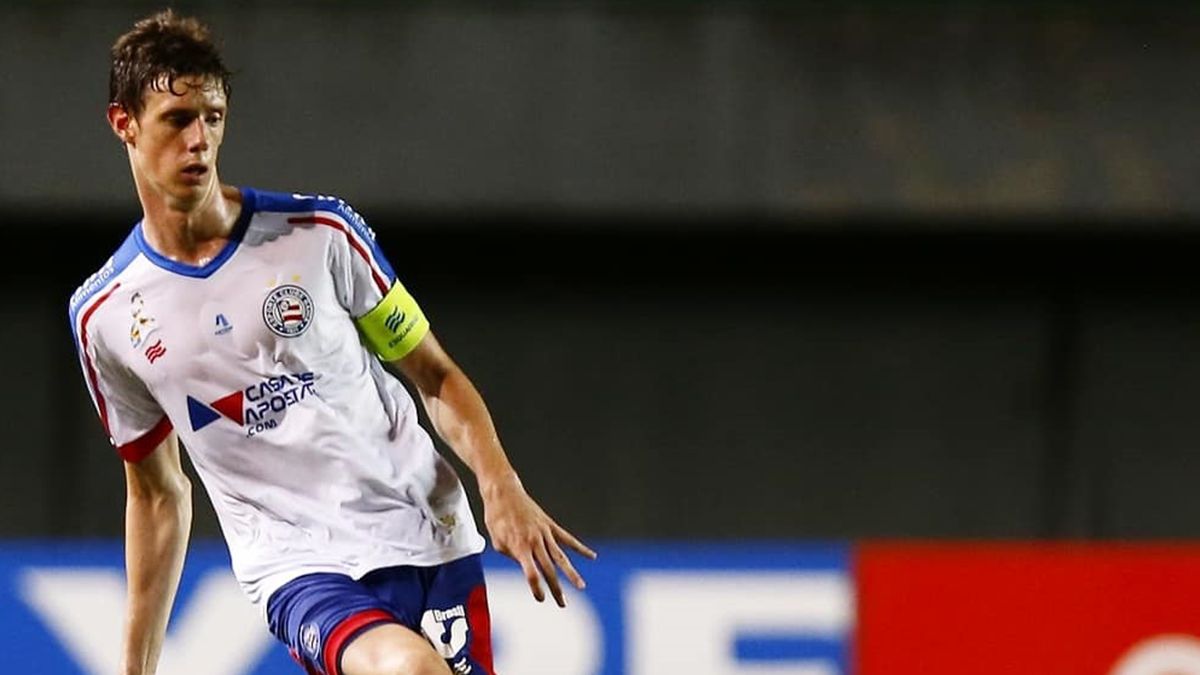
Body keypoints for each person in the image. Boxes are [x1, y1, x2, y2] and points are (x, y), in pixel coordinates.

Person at [68, 9, 595, 675]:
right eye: (178, 119)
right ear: (125, 123)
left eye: (213, 116)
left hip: (426, 532)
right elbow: (155, 492)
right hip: (297, 567)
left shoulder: (319, 233)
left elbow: (434, 375)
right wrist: (134, 668)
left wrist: (500, 485)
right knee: (407, 670)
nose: (199, 139)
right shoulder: (106, 315)